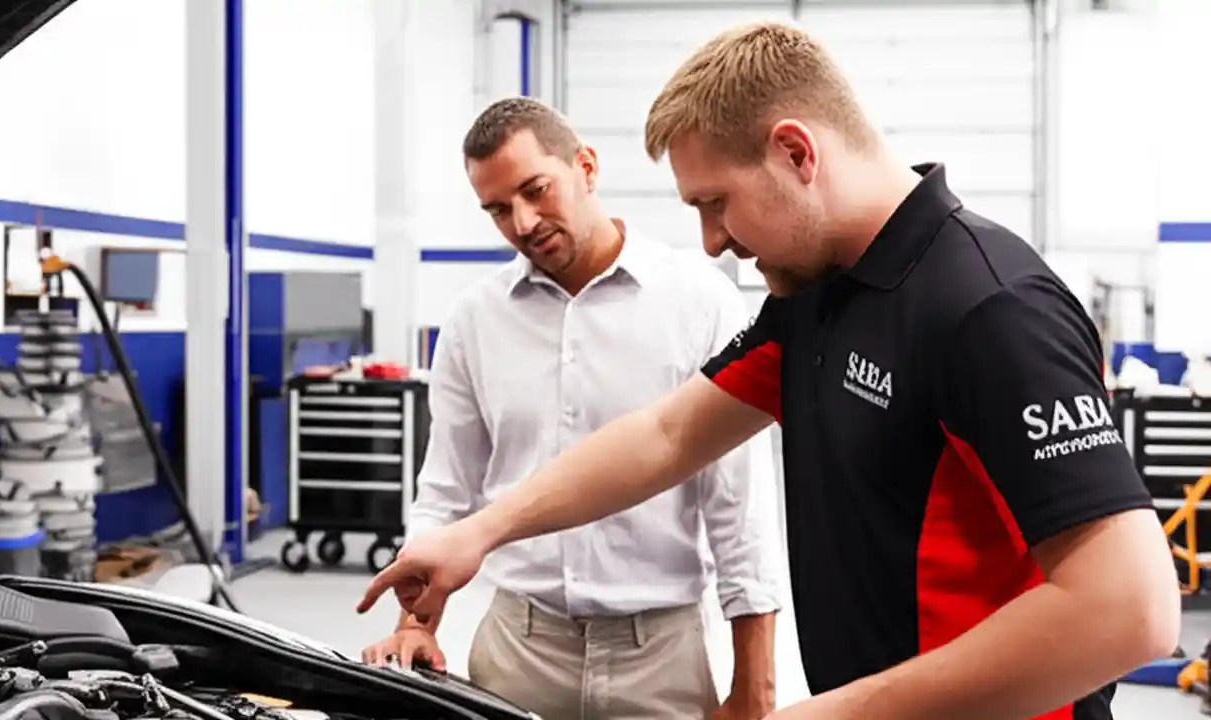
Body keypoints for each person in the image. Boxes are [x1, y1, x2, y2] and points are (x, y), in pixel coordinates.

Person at [359, 22, 1181, 720]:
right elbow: (666, 434)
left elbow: (1131, 611)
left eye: (715, 203)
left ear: (796, 152)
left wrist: (829, 712)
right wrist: (477, 533)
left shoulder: (989, 307)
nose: (713, 240)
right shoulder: (818, 292)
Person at [358, 97, 785, 720]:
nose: (524, 222)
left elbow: (739, 509)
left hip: (658, 654)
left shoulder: (699, 301)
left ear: (585, 166)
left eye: (537, 190)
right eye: (498, 209)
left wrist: (756, 682)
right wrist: (415, 624)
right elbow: (445, 492)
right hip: (517, 650)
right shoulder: (474, 321)